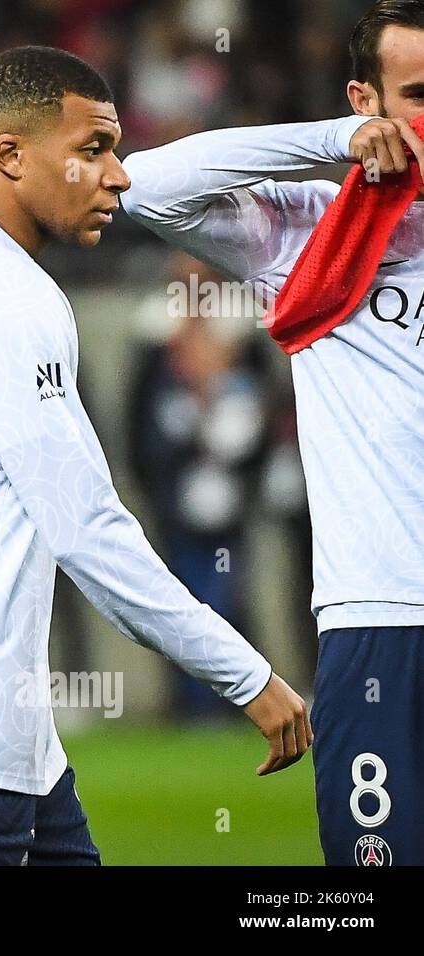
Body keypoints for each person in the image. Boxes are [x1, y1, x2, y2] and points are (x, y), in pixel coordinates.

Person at [0, 46, 310, 866]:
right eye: (91, 150)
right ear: (9, 154)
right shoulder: (12, 298)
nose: (117, 176)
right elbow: (88, 530)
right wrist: (245, 674)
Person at [120, 0, 424, 867]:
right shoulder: (307, 234)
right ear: (366, 99)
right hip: (381, 615)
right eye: (418, 95)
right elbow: (149, 182)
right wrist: (338, 140)